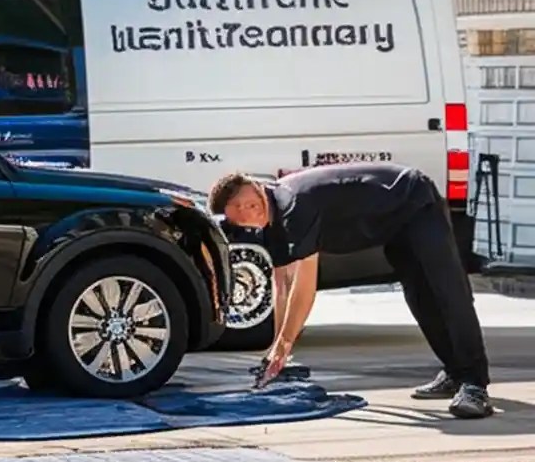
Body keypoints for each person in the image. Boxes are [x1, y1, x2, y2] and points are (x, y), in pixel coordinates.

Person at [208, 162, 494, 419]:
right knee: (419, 297)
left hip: (414, 200)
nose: (248, 212)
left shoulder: (294, 205)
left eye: (247, 203)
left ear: (256, 187)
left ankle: (475, 385)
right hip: (390, 225)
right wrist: (277, 348)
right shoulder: (270, 225)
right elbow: (282, 284)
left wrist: (284, 347)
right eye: (240, 215)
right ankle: (455, 372)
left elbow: (305, 286)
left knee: (446, 291)